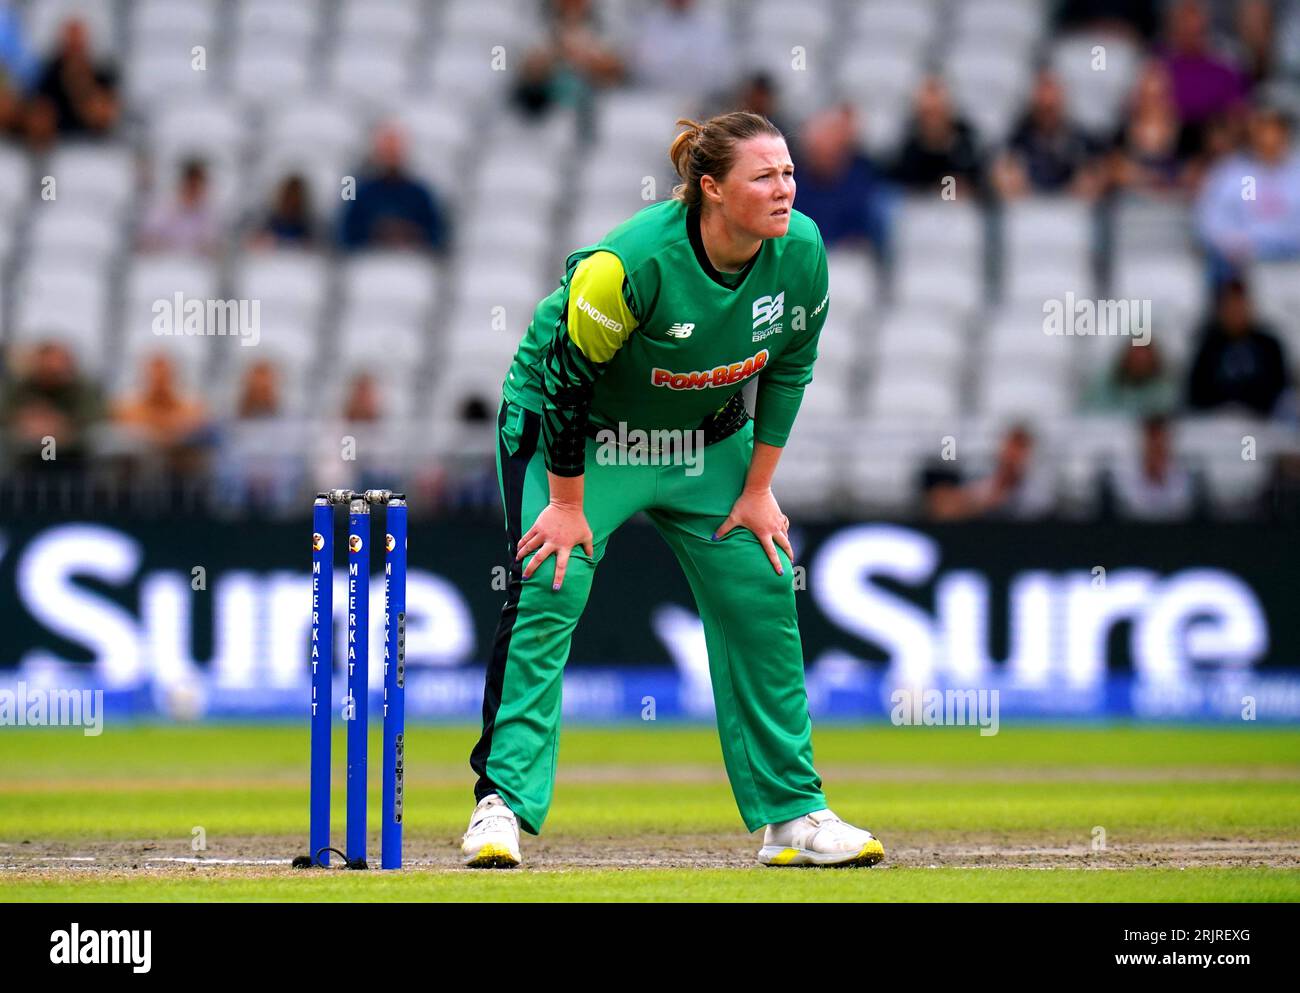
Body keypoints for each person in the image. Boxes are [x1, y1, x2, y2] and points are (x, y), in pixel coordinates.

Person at [462, 112, 884, 870]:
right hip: (587, 434)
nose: (786, 188)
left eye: (789, 172)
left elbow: (788, 367)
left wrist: (758, 489)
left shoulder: (804, 252)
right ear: (712, 189)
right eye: (766, 175)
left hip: (702, 434)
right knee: (551, 579)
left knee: (762, 579)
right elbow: (562, 385)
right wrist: (563, 507)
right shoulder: (626, 265)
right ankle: (501, 805)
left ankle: (792, 814)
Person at [1187, 277, 1290, 416]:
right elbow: (1196, 391)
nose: (1235, 313)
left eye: (1239, 306)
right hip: (1216, 422)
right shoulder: (1208, 345)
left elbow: (1280, 390)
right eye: (1229, 306)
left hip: (1263, 423)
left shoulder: (1269, 345)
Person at [339, 123, 448, 253]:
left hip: (414, 262)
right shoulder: (358, 191)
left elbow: (437, 234)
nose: (391, 156)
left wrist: (411, 233)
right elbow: (345, 234)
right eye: (387, 150)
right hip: (369, 262)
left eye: (395, 150)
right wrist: (376, 234)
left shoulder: (421, 193)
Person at [137, 158, 222, 257]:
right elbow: (146, 240)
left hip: (196, 265)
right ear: (183, 184)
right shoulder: (163, 207)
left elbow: (213, 246)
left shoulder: (211, 213)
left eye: (198, 186)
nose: (194, 190)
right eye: (191, 185)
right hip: (164, 261)